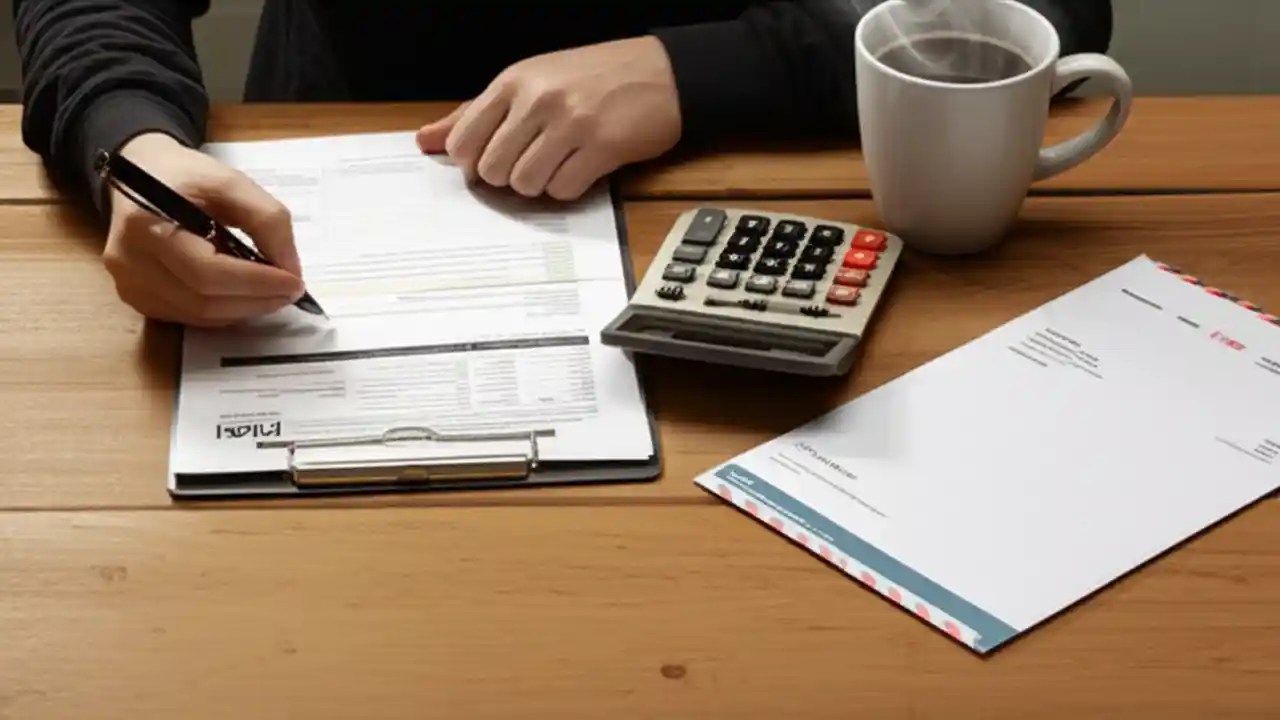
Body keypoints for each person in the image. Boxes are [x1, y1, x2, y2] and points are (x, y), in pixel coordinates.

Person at [14, 0, 1112, 327]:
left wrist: (692, 72)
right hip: (328, 197)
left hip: (748, 198)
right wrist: (135, 150)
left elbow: (1048, 10)